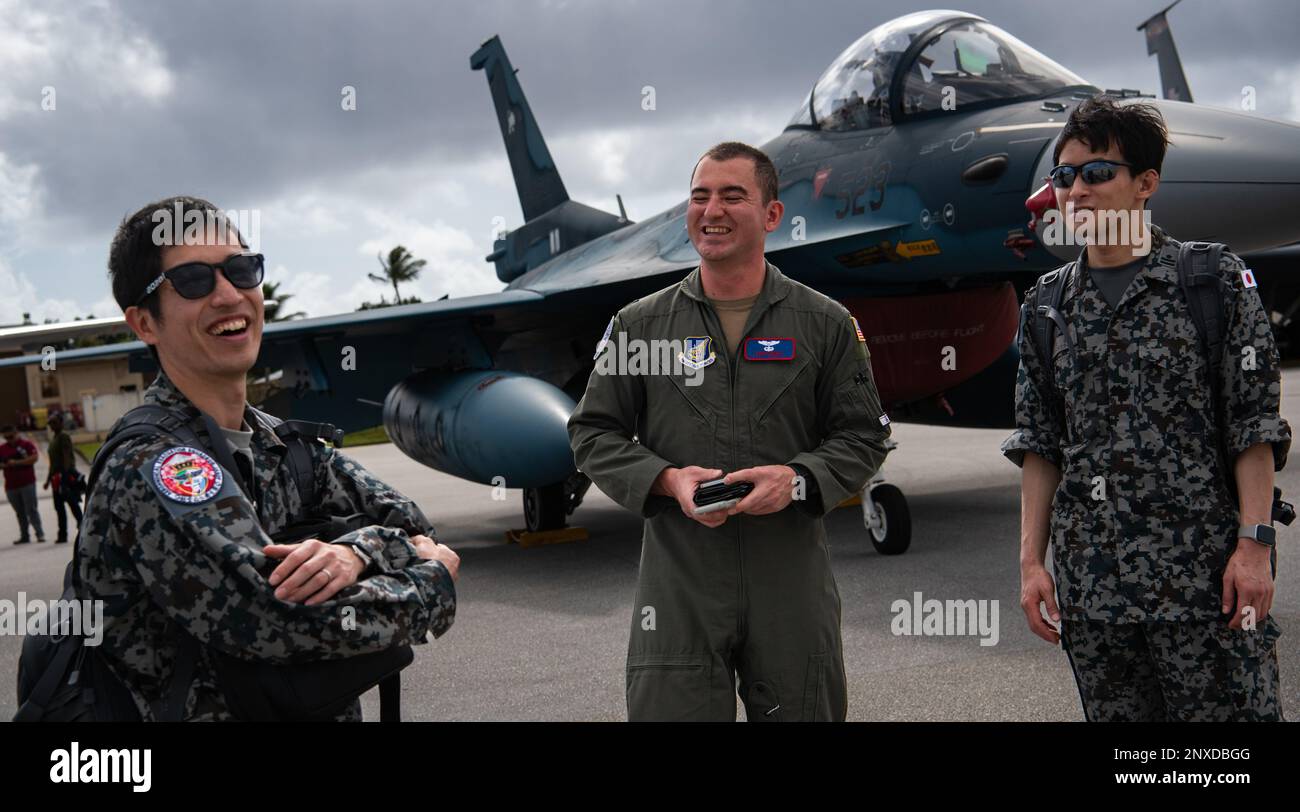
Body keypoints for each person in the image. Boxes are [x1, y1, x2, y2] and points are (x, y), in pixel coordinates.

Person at [81, 195, 461, 720]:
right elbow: (276, 620)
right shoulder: (156, 465)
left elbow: (417, 527)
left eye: (241, 270)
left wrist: (356, 552)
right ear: (145, 323)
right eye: (194, 280)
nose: (228, 295)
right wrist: (429, 583)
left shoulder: (282, 444)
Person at [568, 142, 892, 721]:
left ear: (771, 214)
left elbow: (863, 436)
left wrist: (795, 480)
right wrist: (667, 480)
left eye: (731, 196)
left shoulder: (825, 323)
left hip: (790, 582)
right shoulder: (640, 327)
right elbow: (593, 432)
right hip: (680, 586)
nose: (711, 210)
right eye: (700, 196)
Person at [1002, 97, 1289, 721]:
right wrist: (1031, 563)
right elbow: (1040, 444)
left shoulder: (1210, 281)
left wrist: (1255, 546)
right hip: (1096, 594)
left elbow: (1254, 429)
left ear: (1145, 184)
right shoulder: (1046, 307)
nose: (1076, 189)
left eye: (1097, 172)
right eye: (1065, 175)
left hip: (1205, 585)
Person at [1, 425, 45, 544]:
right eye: (6, 437)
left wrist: (16, 462)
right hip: (11, 486)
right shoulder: (2, 448)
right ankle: (24, 536)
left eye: (11, 436)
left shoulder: (26, 445)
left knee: (31, 509)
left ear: (16, 433)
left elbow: (34, 458)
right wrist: (6, 465)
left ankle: (39, 533)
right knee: (20, 512)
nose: (9, 439)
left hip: (27, 483)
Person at [43, 413, 82, 543]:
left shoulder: (63, 437)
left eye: (54, 422)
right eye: (50, 423)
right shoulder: (54, 439)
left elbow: (66, 456)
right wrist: (48, 480)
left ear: (61, 422)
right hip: (56, 477)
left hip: (65, 475)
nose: (52, 426)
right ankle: (62, 534)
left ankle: (83, 527)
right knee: (59, 507)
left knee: (73, 504)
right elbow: (52, 461)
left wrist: (65, 476)